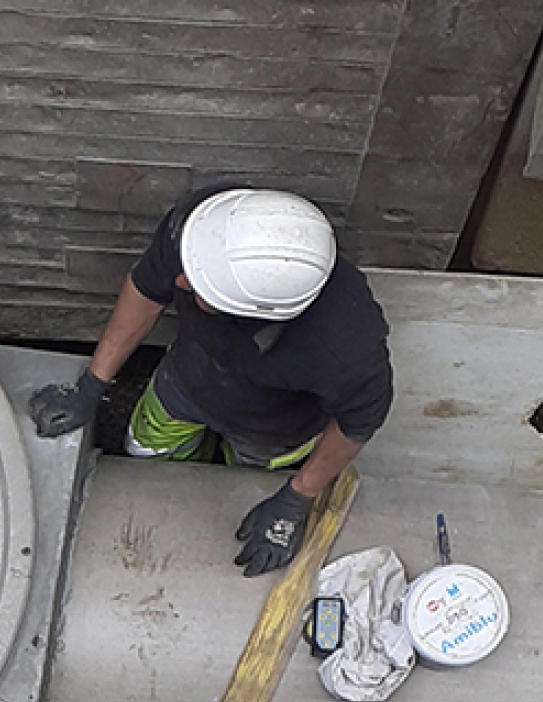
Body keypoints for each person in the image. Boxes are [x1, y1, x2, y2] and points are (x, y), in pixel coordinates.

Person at [28, 187, 394, 577]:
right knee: (148, 450)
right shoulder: (205, 229)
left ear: (254, 313)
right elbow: (147, 290)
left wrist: (296, 497)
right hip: (187, 381)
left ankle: (232, 465)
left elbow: (357, 424)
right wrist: (92, 384)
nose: (181, 282)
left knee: (241, 479)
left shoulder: (345, 349)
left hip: (274, 430)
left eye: (202, 287)